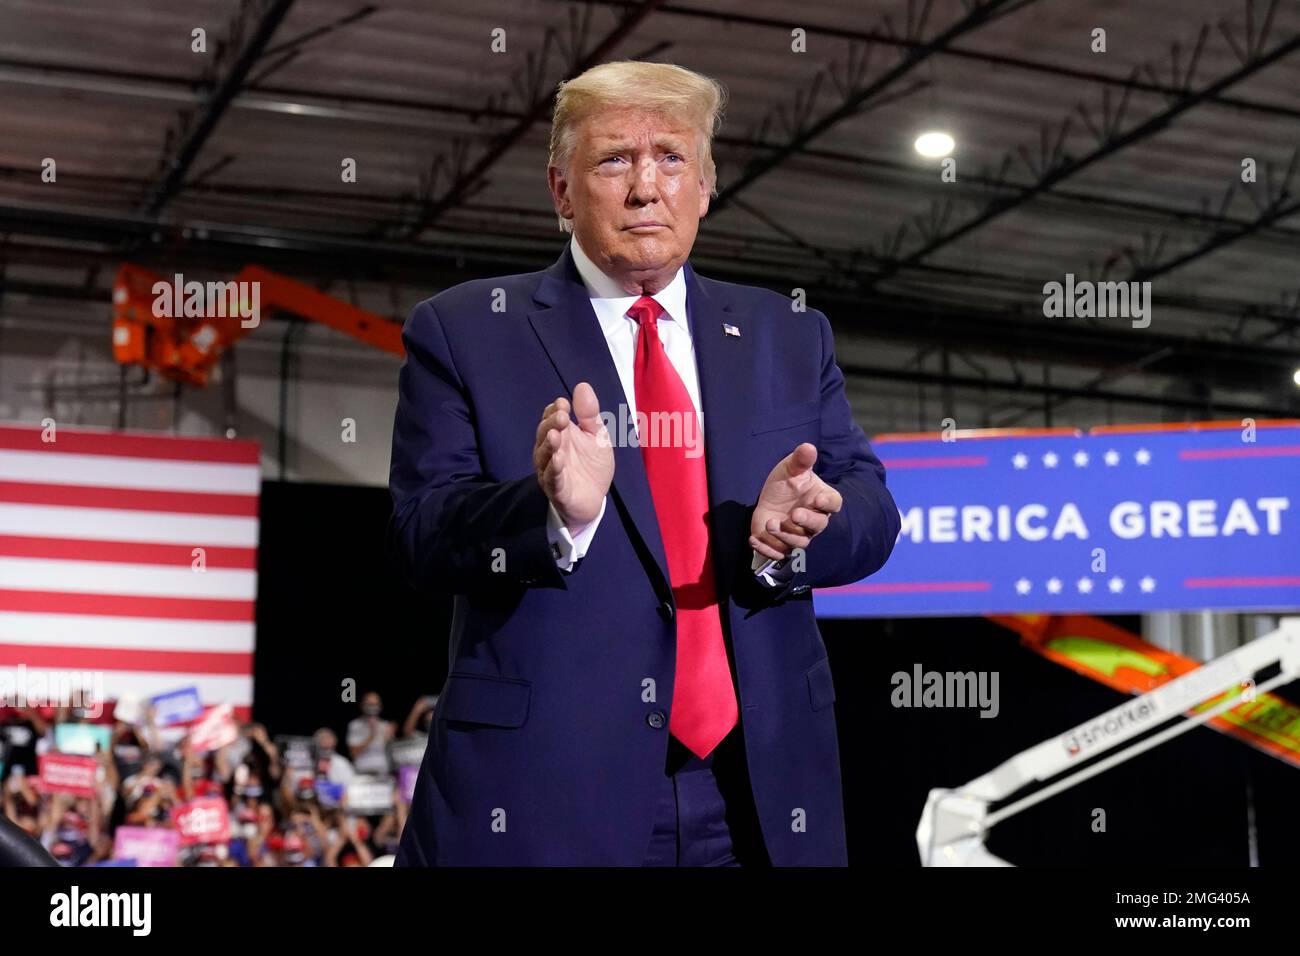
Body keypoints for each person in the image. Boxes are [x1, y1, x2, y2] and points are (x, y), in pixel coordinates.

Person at [387, 60, 899, 866]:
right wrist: (555, 514)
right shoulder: (465, 329)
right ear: (561, 191)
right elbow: (422, 531)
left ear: (705, 185)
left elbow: (871, 508)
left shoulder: (788, 334)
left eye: (671, 159)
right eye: (614, 160)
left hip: (755, 791)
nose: (645, 188)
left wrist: (798, 534)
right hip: (546, 791)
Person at [346, 692, 395, 775]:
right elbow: (353, 753)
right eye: (370, 704)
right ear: (362, 705)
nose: (373, 707)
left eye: (375, 704)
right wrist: (371, 736)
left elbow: (391, 752)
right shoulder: (354, 725)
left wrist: (390, 738)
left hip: (383, 773)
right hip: (362, 773)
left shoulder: (384, 725)